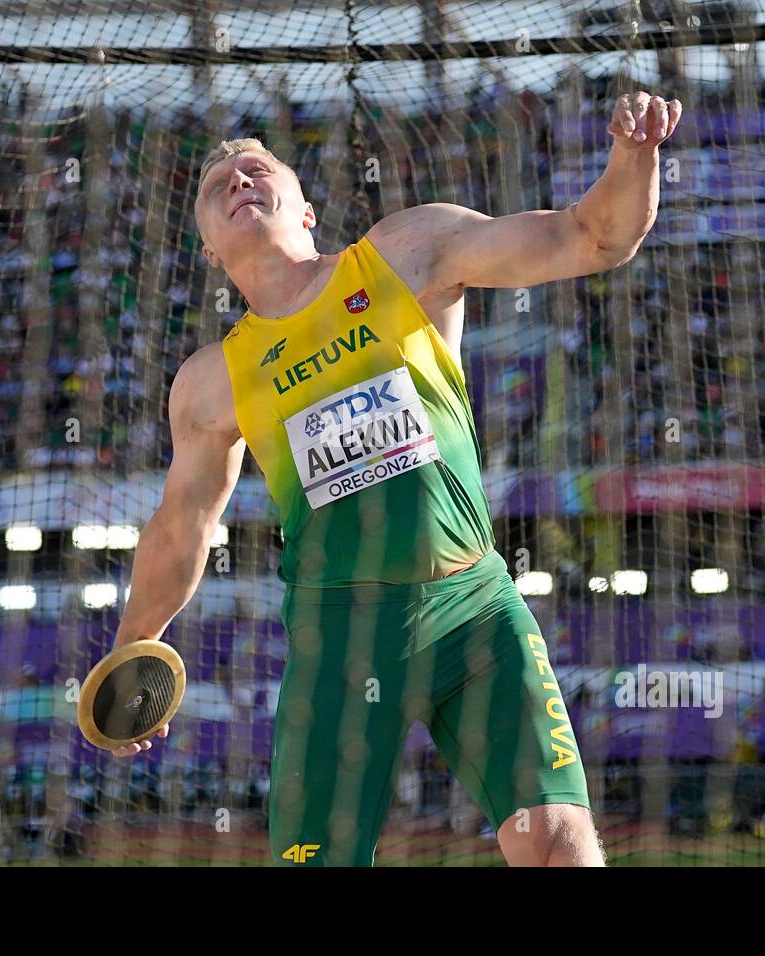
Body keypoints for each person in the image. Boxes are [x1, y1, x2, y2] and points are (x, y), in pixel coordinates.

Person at [109, 91, 682, 866]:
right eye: (220, 187)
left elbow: (591, 237)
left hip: (474, 609)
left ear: (306, 210)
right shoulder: (211, 384)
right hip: (339, 641)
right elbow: (183, 529)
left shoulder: (408, 252)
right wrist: (133, 654)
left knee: (557, 844)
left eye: (256, 170)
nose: (239, 183)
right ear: (209, 250)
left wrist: (634, 154)